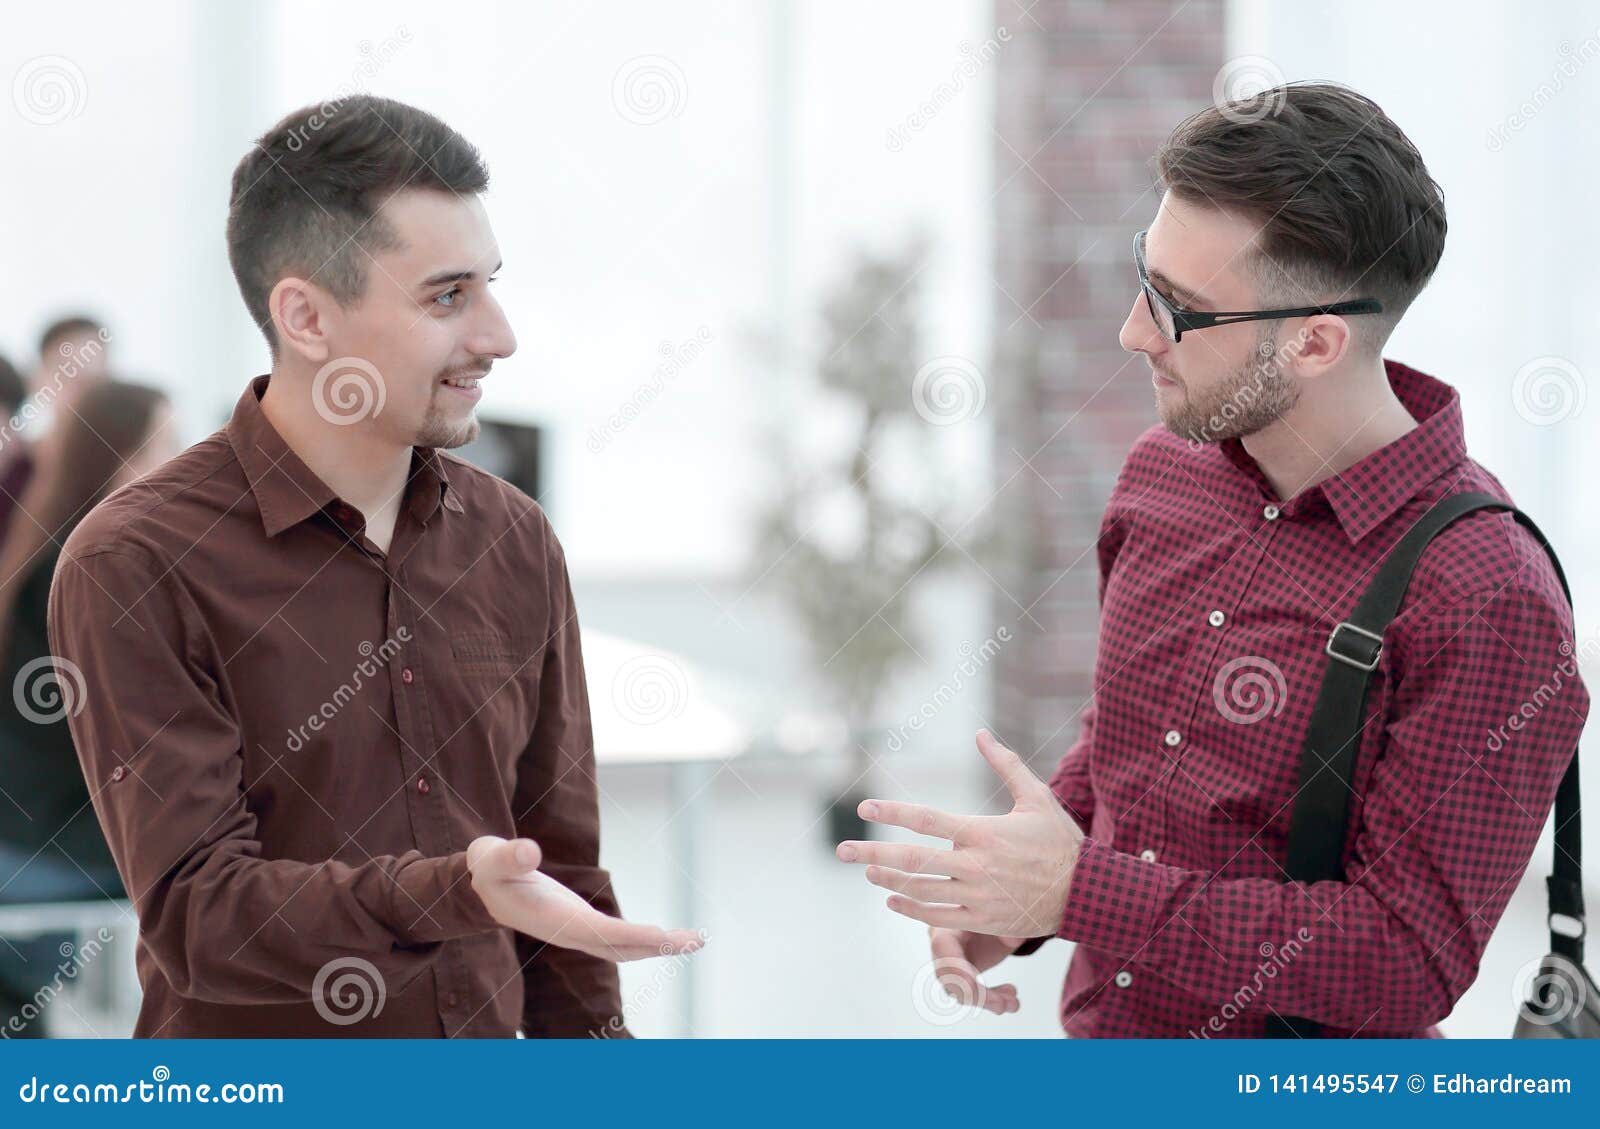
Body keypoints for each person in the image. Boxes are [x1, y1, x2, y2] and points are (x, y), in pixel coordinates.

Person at [836, 82, 1589, 1037]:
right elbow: (1131, 739)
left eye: (1181, 310)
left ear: (1315, 341)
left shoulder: (1486, 594)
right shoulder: (1165, 476)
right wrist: (1016, 891)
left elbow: (1404, 959)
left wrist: (1077, 893)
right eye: (1143, 278)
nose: (1134, 332)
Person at [47, 95, 700, 1039]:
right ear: (306, 316)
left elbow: (560, 869)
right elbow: (200, 915)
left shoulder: (515, 540)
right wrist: (454, 890)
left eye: (490, 285)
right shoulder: (137, 561)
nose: (498, 335)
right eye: (447, 296)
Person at [0, 379, 177, 1036]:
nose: (184, 461)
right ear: (119, 456)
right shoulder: (96, 568)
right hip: (48, 861)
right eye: (166, 444)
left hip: (23, 841)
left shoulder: (50, 547)